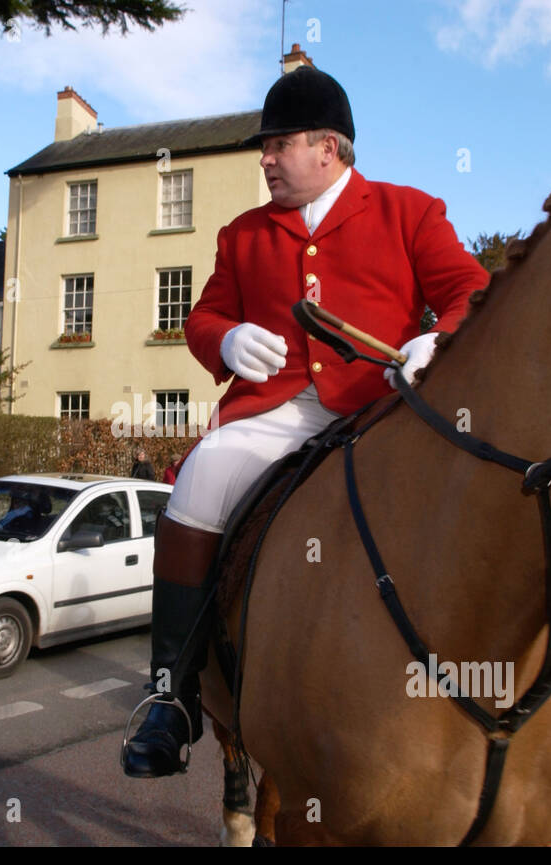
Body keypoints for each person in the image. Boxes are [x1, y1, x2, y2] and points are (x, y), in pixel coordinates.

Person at [122, 66, 490, 777]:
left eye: (277, 144)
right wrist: (224, 339)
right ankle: (170, 695)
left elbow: (470, 290)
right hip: (278, 414)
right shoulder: (242, 234)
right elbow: (202, 318)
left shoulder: (408, 211)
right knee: (198, 480)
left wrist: (438, 337)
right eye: (264, 148)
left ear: (329, 148)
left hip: (381, 413)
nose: (264, 159)